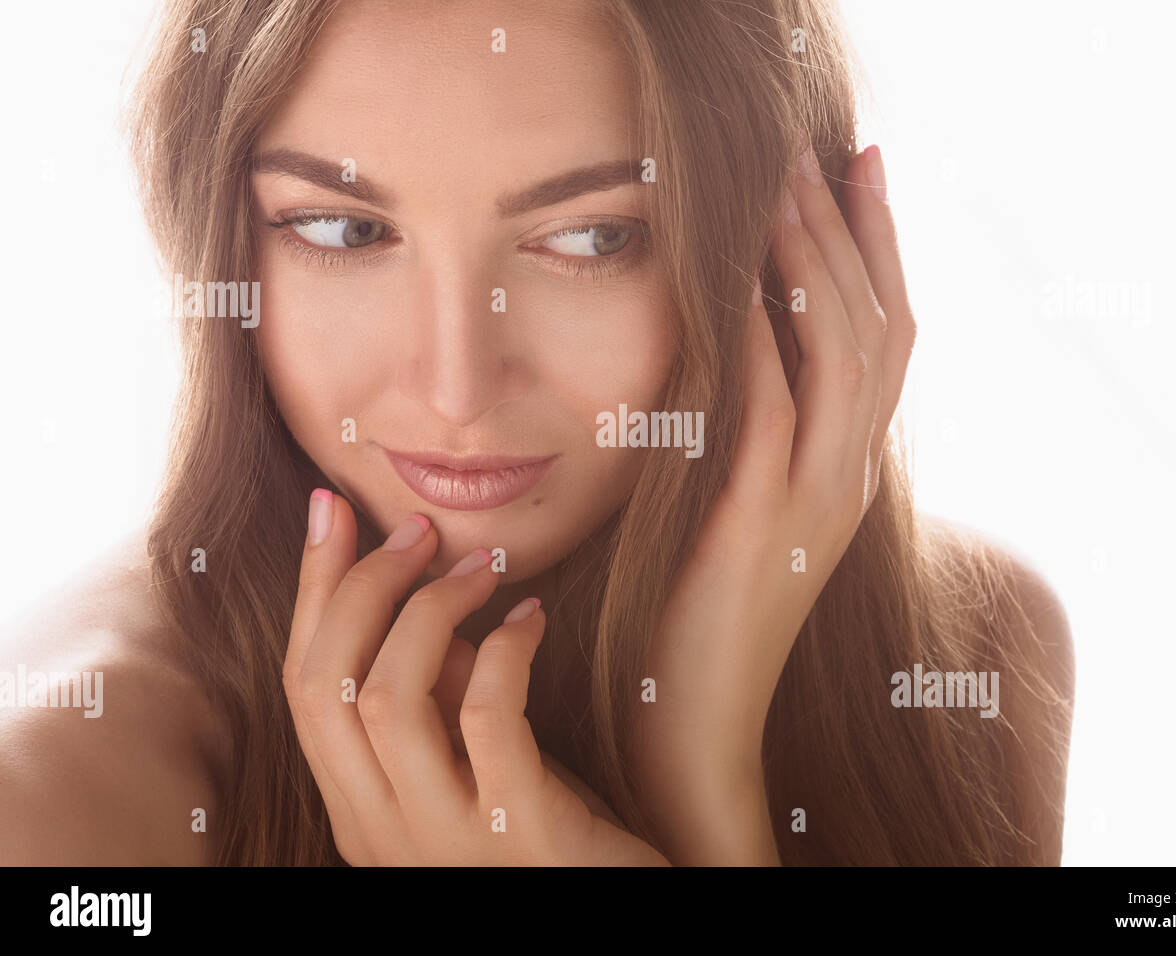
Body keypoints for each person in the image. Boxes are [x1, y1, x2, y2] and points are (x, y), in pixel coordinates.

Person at [0, 0, 1074, 865]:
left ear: (786, 259)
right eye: (342, 229)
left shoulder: (970, 653)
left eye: (591, 238)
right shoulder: (60, 791)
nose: (459, 386)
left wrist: (703, 786)